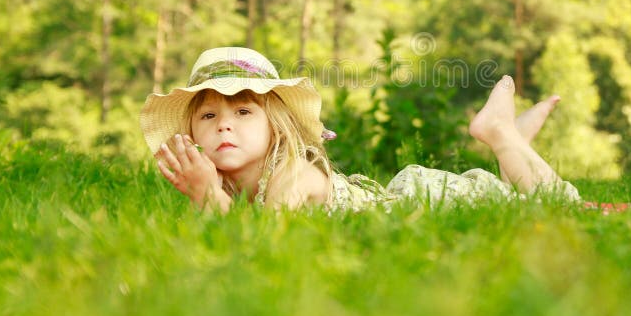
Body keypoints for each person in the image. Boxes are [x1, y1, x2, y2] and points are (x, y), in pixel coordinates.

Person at [140, 46, 580, 213]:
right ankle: (516, 148)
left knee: (560, 205)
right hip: (399, 197)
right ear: (191, 132)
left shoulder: (292, 178)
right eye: (209, 116)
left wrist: (208, 197)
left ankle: (500, 132)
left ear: (276, 126)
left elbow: (259, 248)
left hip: (426, 204)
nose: (224, 125)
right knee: (522, 198)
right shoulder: (231, 182)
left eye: (242, 111)